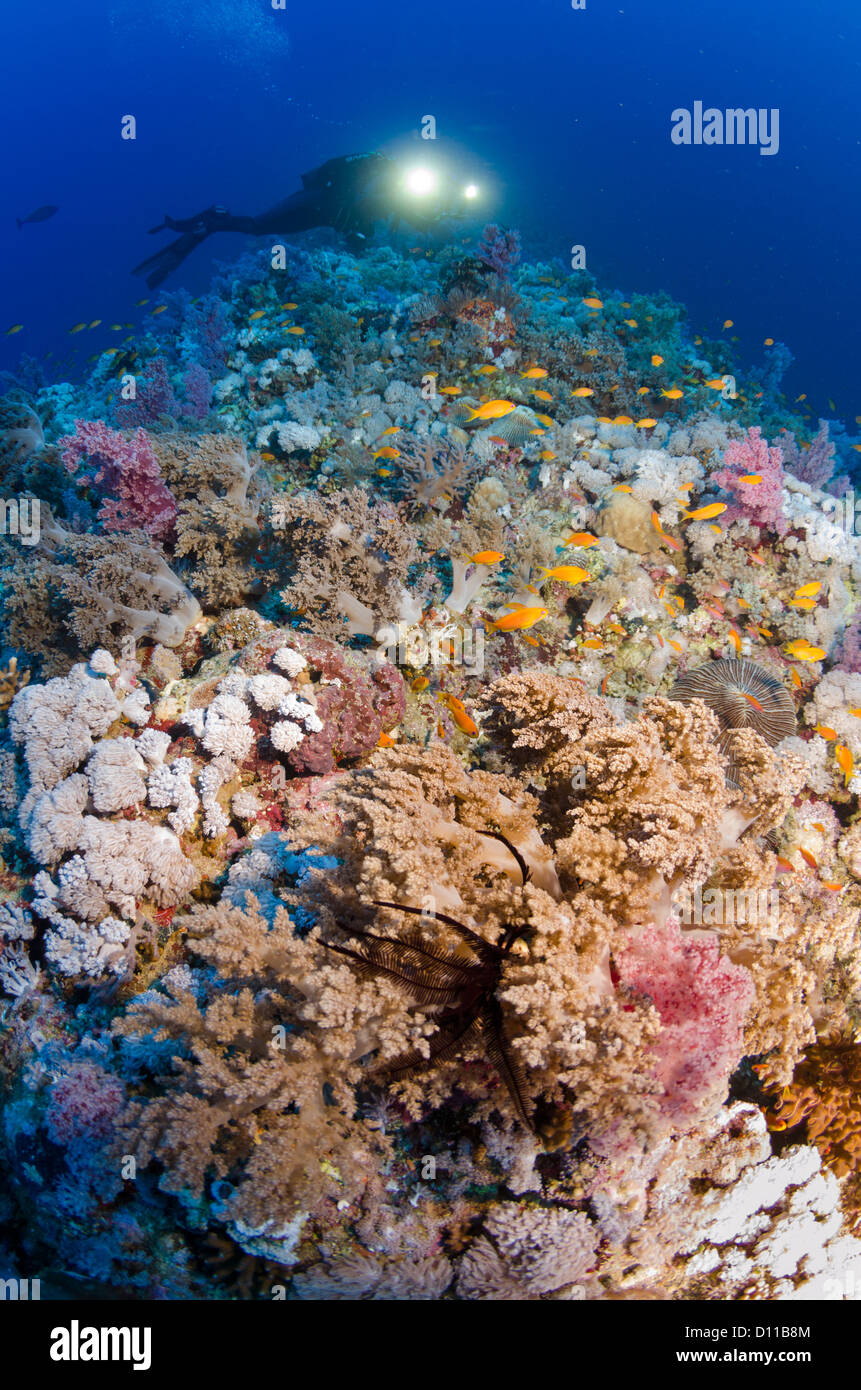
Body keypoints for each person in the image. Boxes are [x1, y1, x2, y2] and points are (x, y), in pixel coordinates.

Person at [132, 152, 434, 289]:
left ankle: (211, 222)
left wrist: (434, 229)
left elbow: (392, 218)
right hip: (315, 203)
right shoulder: (375, 169)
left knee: (257, 228)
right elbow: (359, 202)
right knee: (256, 226)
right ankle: (213, 218)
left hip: (324, 216)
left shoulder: (390, 192)